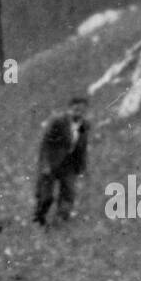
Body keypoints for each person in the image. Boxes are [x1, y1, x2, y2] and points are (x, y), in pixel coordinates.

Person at [33, 96, 91, 227]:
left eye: (82, 110)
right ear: (70, 109)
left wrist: (82, 168)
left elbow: (82, 147)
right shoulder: (58, 122)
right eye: (76, 109)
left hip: (69, 165)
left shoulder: (84, 125)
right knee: (46, 197)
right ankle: (39, 218)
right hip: (52, 162)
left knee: (68, 194)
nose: (79, 113)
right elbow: (46, 143)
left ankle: (59, 223)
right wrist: (45, 164)